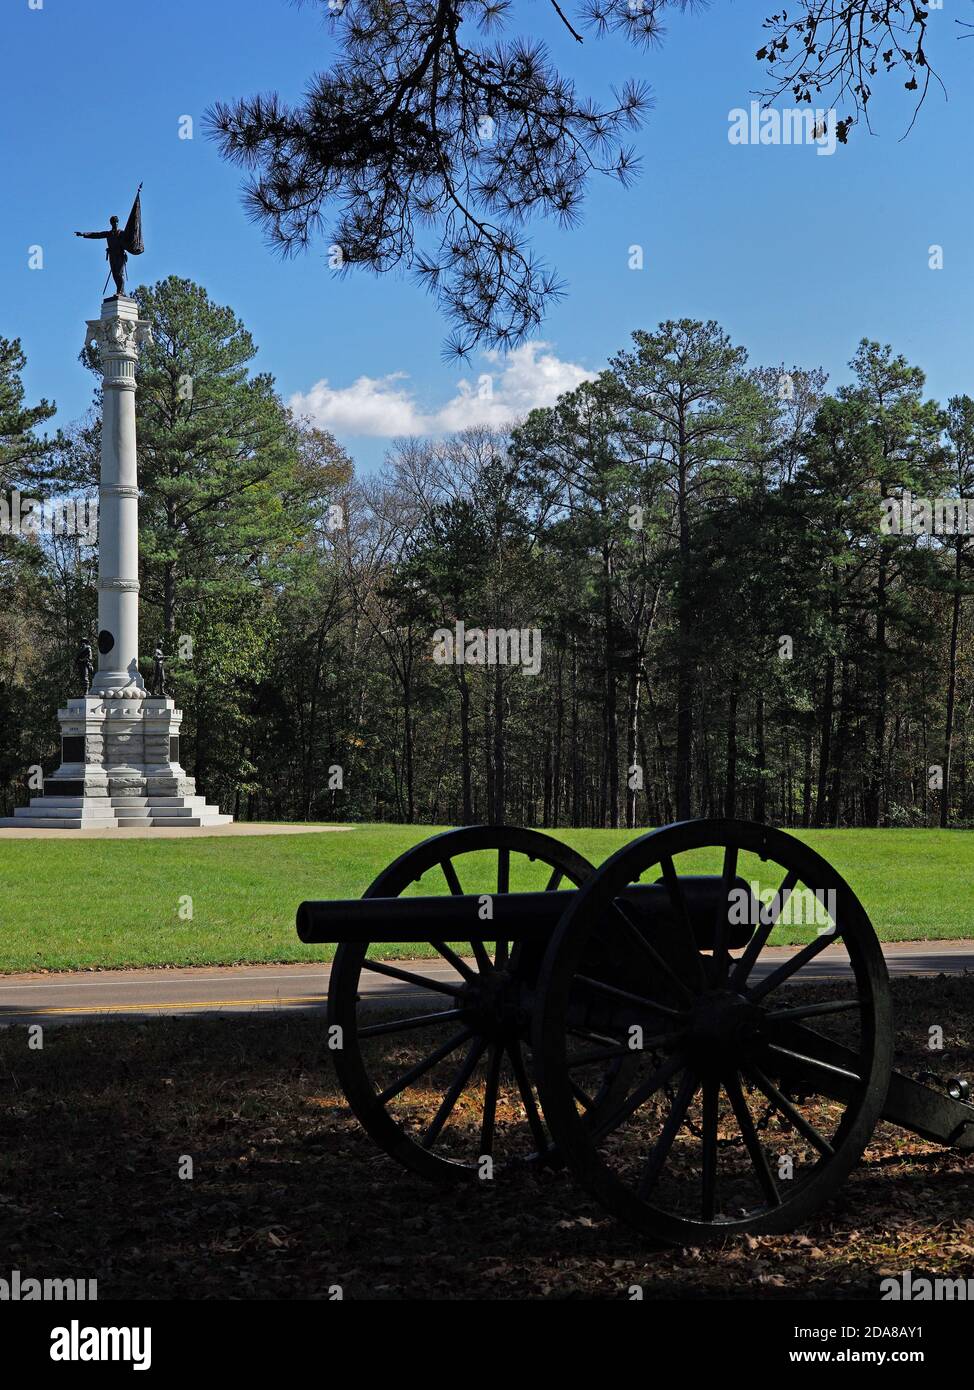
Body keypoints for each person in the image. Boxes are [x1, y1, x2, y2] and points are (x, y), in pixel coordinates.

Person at [75, 216, 129, 296]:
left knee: (119, 274)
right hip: (112, 255)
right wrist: (83, 234)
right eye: (113, 222)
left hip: (120, 255)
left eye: (116, 222)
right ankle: (120, 291)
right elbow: (96, 235)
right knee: (114, 274)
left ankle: (120, 291)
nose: (115, 224)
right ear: (111, 223)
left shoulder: (121, 233)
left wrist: (126, 252)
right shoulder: (108, 234)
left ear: (118, 223)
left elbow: (128, 241)